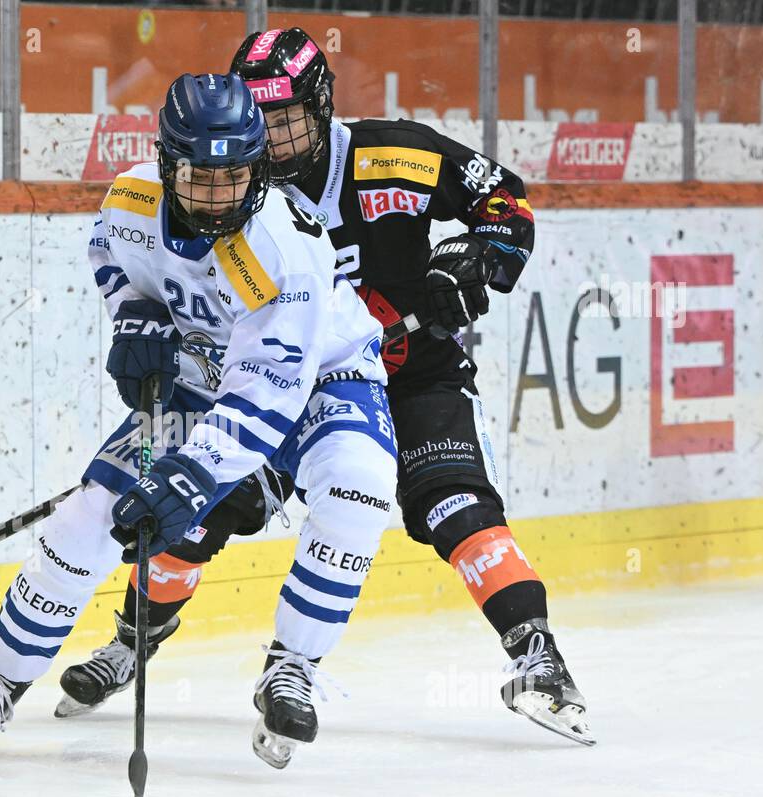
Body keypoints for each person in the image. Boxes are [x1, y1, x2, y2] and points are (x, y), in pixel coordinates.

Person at [59, 28, 593, 746]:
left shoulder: (394, 155)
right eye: (260, 119)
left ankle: (538, 658)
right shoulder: (231, 184)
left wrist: (471, 262)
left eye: (288, 120)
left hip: (412, 372)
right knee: (199, 505)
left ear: (322, 105)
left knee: (455, 505)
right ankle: (131, 640)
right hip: (285, 384)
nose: (274, 140)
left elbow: (507, 203)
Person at [0, 72, 399, 769]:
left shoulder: (283, 251)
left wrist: (191, 475)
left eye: (233, 177)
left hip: (325, 379)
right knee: (86, 519)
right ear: (167, 164)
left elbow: (269, 395)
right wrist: (135, 318)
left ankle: (292, 666)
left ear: (259, 169)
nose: (214, 194)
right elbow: (110, 254)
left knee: (357, 488)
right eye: (197, 177)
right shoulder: (133, 198)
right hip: (206, 381)